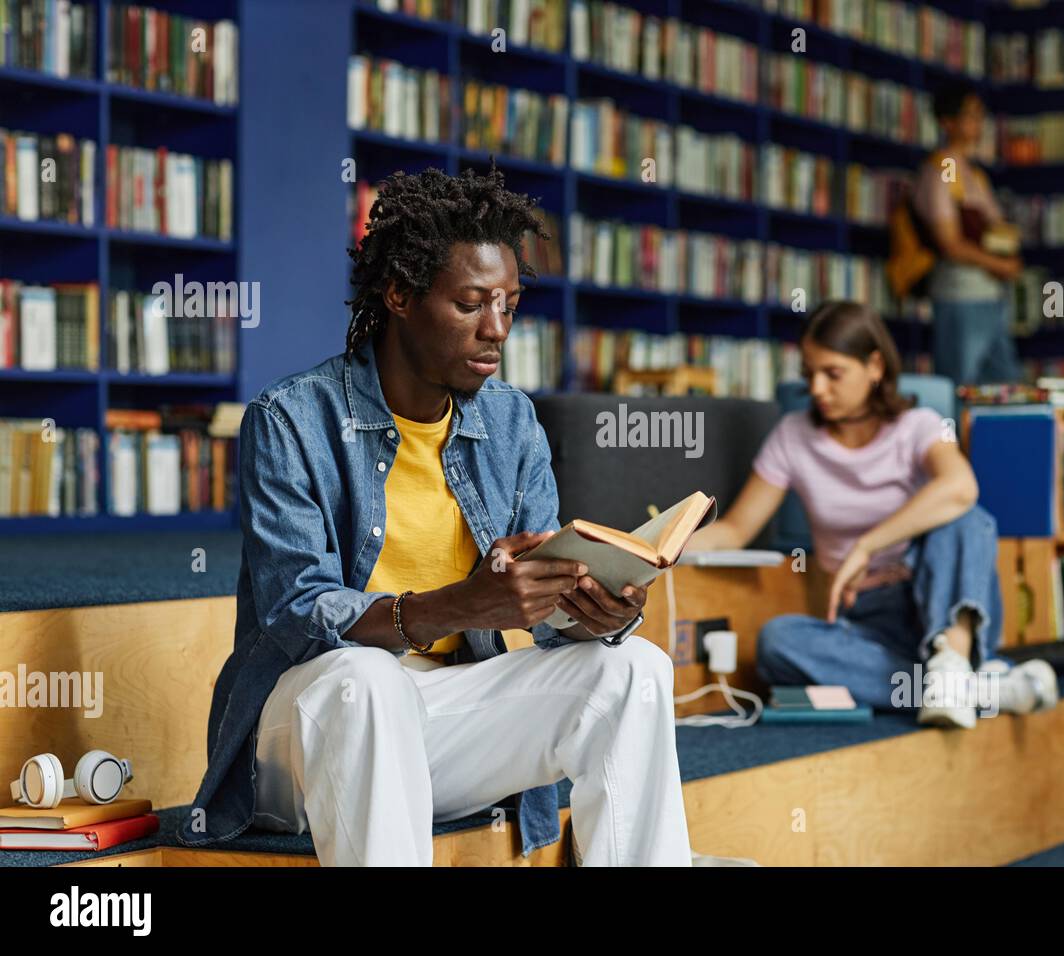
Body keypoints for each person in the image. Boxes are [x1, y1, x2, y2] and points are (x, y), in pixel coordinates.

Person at [176, 162, 695, 866]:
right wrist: (457, 606)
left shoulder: (513, 423)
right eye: (471, 303)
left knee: (634, 668)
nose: (497, 329)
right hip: (305, 737)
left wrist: (592, 610)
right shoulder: (291, 420)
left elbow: (539, 621)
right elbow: (297, 611)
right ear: (398, 294)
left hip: (443, 730)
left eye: (509, 304)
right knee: (368, 679)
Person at [685, 301, 1057, 728]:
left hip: (938, 597)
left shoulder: (920, 425)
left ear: (875, 366)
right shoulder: (793, 436)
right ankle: (978, 690)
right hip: (866, 620)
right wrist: (657, 545)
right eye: (809, 374)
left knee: (963, 518)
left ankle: (953, 659)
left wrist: (867, 545)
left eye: (833, 373)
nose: (818, 389)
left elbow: (960, 488)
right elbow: (733, 530)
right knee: (777, 643)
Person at [913, 81, 1023, 386]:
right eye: (969, 115)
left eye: (980, 115)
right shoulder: (943, 169)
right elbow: (950, 243)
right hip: (961, 294)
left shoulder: (974, 174)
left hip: (991, 295)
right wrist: (999, 265)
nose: (978, 123)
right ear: (947, 121)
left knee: (1004, 386)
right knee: (960, 384)